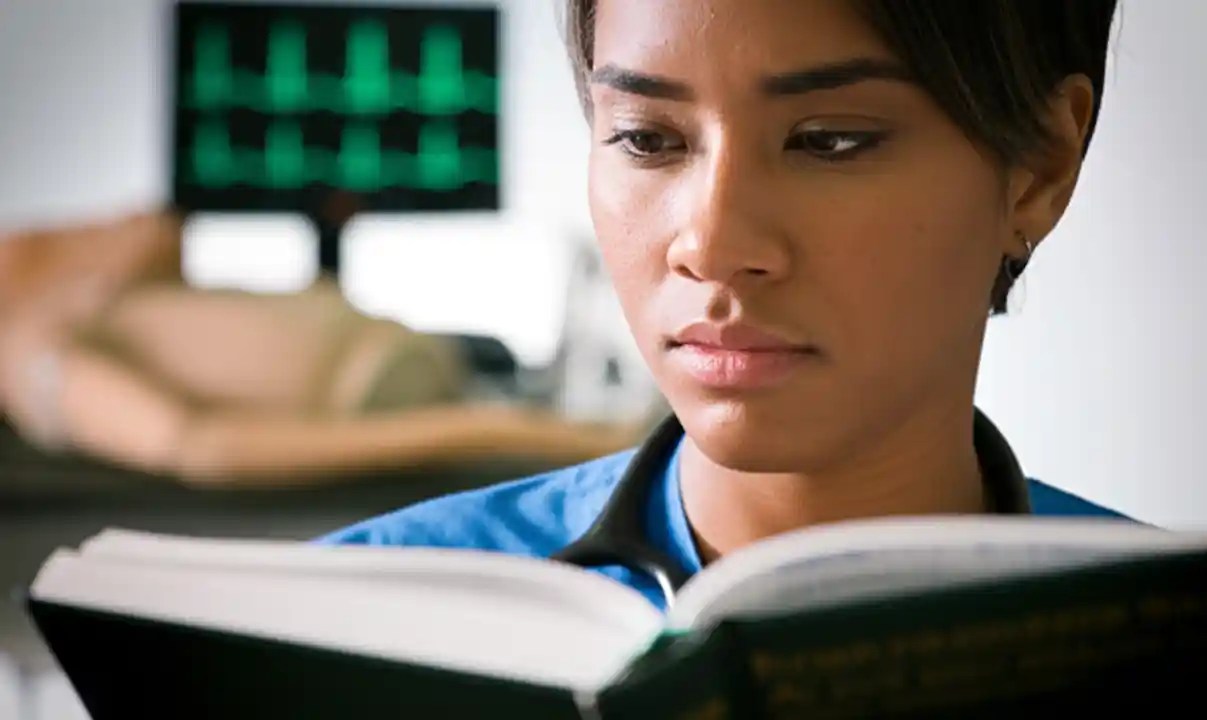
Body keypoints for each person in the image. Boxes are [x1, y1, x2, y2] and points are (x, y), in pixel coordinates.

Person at [319, 0, 1126, 608]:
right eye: (647, 138)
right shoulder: (349, 622)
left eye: (828, 140)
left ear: (1042, 170)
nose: (709, 245)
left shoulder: (1191, 642)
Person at [0, 211, 647, 485]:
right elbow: (202, 449)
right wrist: (498, 429)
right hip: (405, 412)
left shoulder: (85, 297)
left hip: (431, 379)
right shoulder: (31, 356)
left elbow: (156, 228)